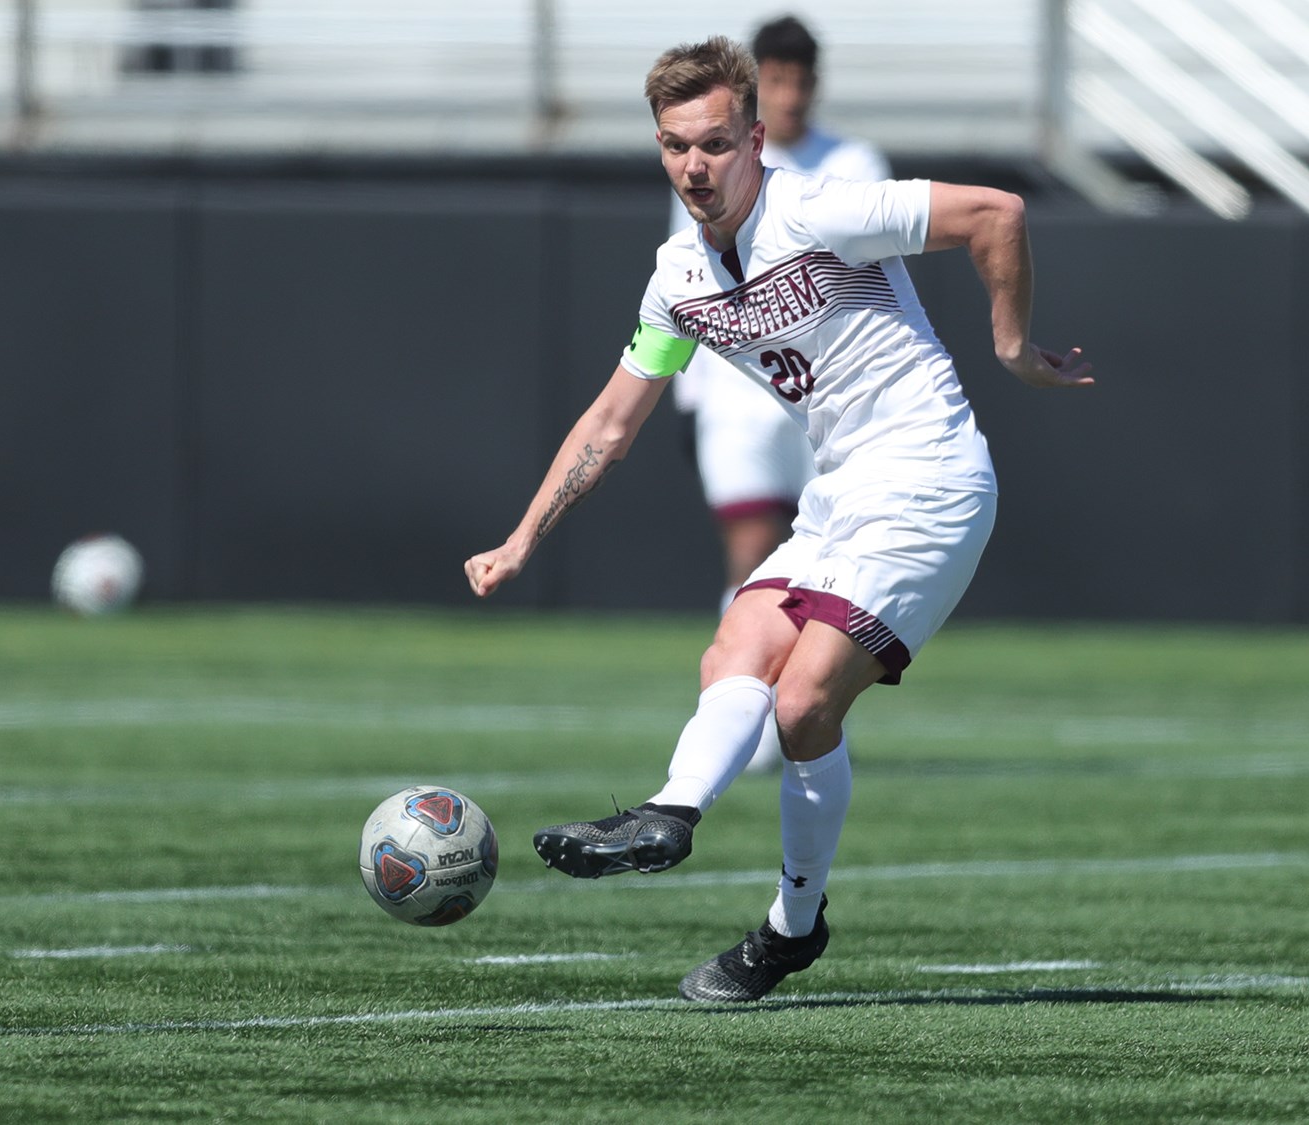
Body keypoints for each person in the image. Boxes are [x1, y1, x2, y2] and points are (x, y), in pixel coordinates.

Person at [463, 35, 1092, 1003]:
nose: (694, 166)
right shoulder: (678, 280)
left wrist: (1009, 347)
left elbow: (995, 213)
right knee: (735, 649)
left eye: (714, 143)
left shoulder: (821, 209)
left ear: (755, 138)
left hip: (927, 481)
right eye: (675, 146)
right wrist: (520, 538)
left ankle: (784, 925)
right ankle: (670, 816)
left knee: (800, 705)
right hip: (842, 493)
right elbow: (610, 423)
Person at [669, 14, 891, 774]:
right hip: (741, 394)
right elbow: (686, 285)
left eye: (801, 80)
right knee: (752, 549)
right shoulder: (711, 165)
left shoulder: (852, 161)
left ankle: (811, 708)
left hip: (831, 396)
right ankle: (744, 717)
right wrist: (690, 393)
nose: (790, 95)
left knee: (832, 558)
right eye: (777, 80)